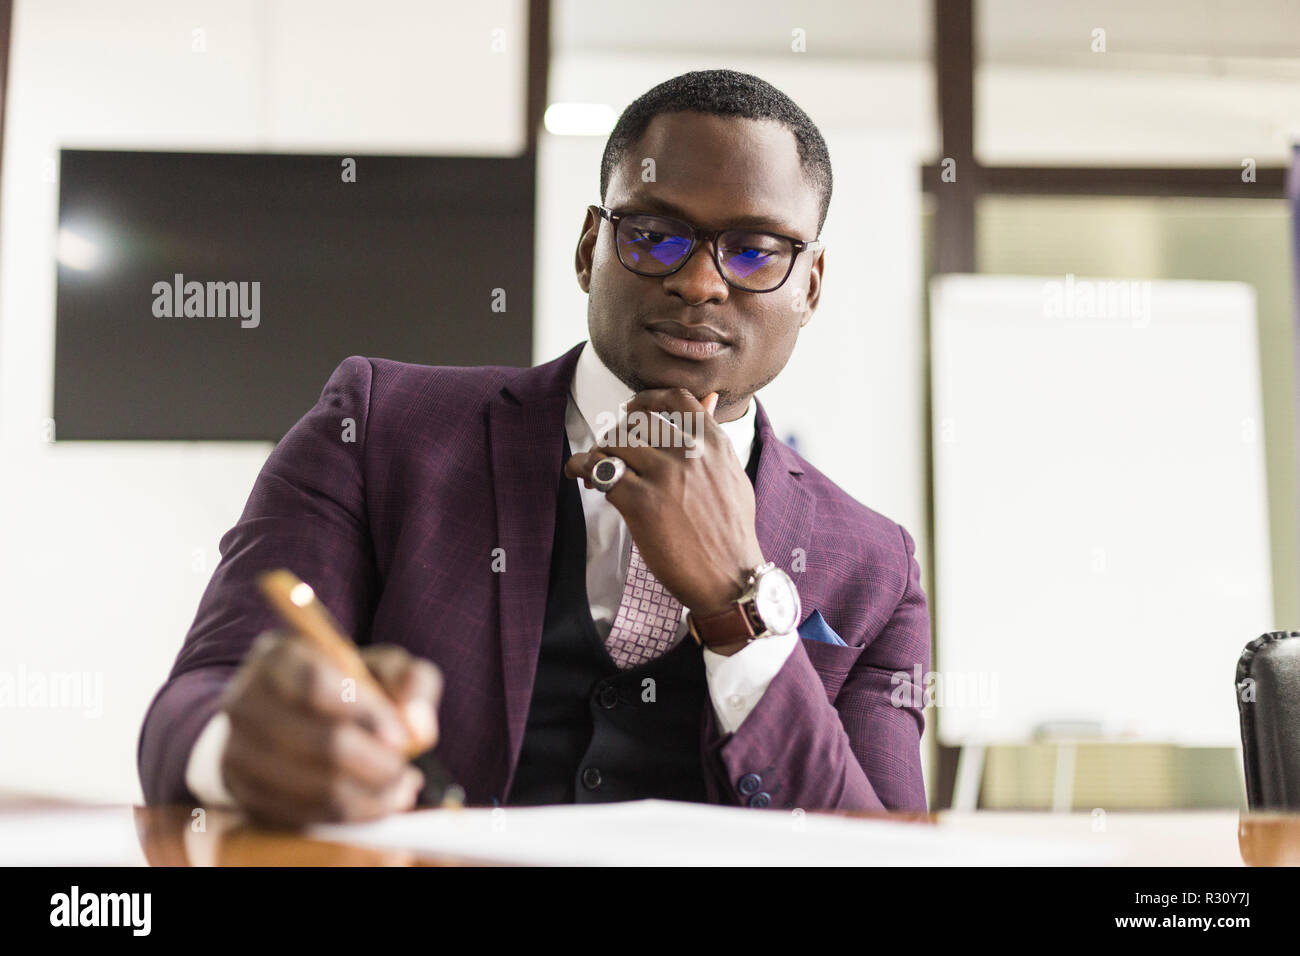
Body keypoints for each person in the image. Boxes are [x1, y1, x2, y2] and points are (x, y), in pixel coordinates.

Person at [138, 69, 931, 825]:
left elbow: (882, 849)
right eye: (654, 235)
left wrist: (739, 606)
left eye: (757, 251)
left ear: (812, 286)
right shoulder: (379, 428)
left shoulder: (875, 566)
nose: (699, 283)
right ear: (590, 247)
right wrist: (243, 752)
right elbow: (201, 696)